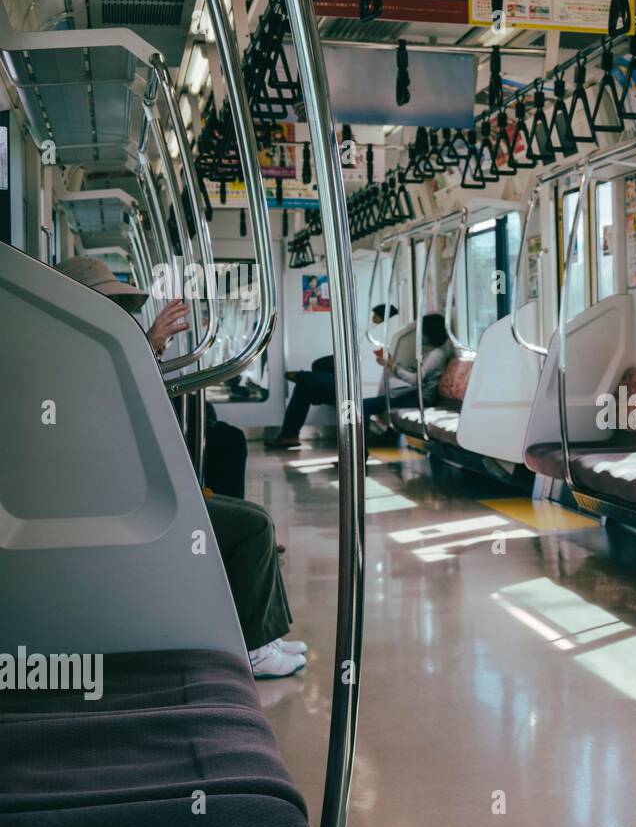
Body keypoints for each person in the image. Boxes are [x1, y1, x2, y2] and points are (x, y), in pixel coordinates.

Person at [56, 255, 306, 678]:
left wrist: (150, 348)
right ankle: (256, 647)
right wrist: (149, 345)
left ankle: (266, 634)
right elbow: (117, 406)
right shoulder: (75, 357)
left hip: (121, 487)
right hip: (117, 499)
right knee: (255, 527)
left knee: (255, 515)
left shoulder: (79, 350)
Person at [266, 303, 399, 448]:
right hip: (350, 380)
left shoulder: (385, 340)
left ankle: (289, 433)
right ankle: (308, 378)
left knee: (305, 385)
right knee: (316, 369)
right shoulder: (374, 339)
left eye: (376, 319)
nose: (372, 323)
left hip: (359, 386)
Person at [359, 312, 454, 433]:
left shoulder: (437, 355)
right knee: (368, 403)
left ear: (429, 334)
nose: (419, 336)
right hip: (414, 395)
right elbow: (415, 372)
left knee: (365, 406)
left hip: (421, 399)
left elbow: (415, 379)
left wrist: (392, 366)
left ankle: (363, 445)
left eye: (422, 332)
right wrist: (392, 363)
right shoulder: (429, 352)